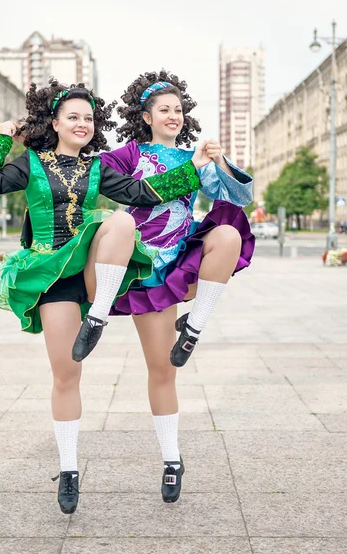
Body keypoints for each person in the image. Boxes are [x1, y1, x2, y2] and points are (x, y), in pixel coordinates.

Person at [0, 79, 213, 515]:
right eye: (73, 117)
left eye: (88, 118)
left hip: (94, 270)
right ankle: (68, 470)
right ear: (55, 122)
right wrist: (3, 136)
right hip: (52, 276)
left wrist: (193, 167)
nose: (82, 124)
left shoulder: (99, 167)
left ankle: (99, 317)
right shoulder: (31, 163)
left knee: (120, 223)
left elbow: (143, 194)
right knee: (66, 374)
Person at [96, 70, 255, 503]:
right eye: (163, 110)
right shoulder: (129, 154)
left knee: (228, 234)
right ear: (145, 116)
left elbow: (239, 200)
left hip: (182, 259)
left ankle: (196, 326)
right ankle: (172, 459)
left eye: (179, 110)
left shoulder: (194, 157)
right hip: (146, 272)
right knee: (162, 370)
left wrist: (218, 162)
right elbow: (103, 187)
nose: (173, 116)